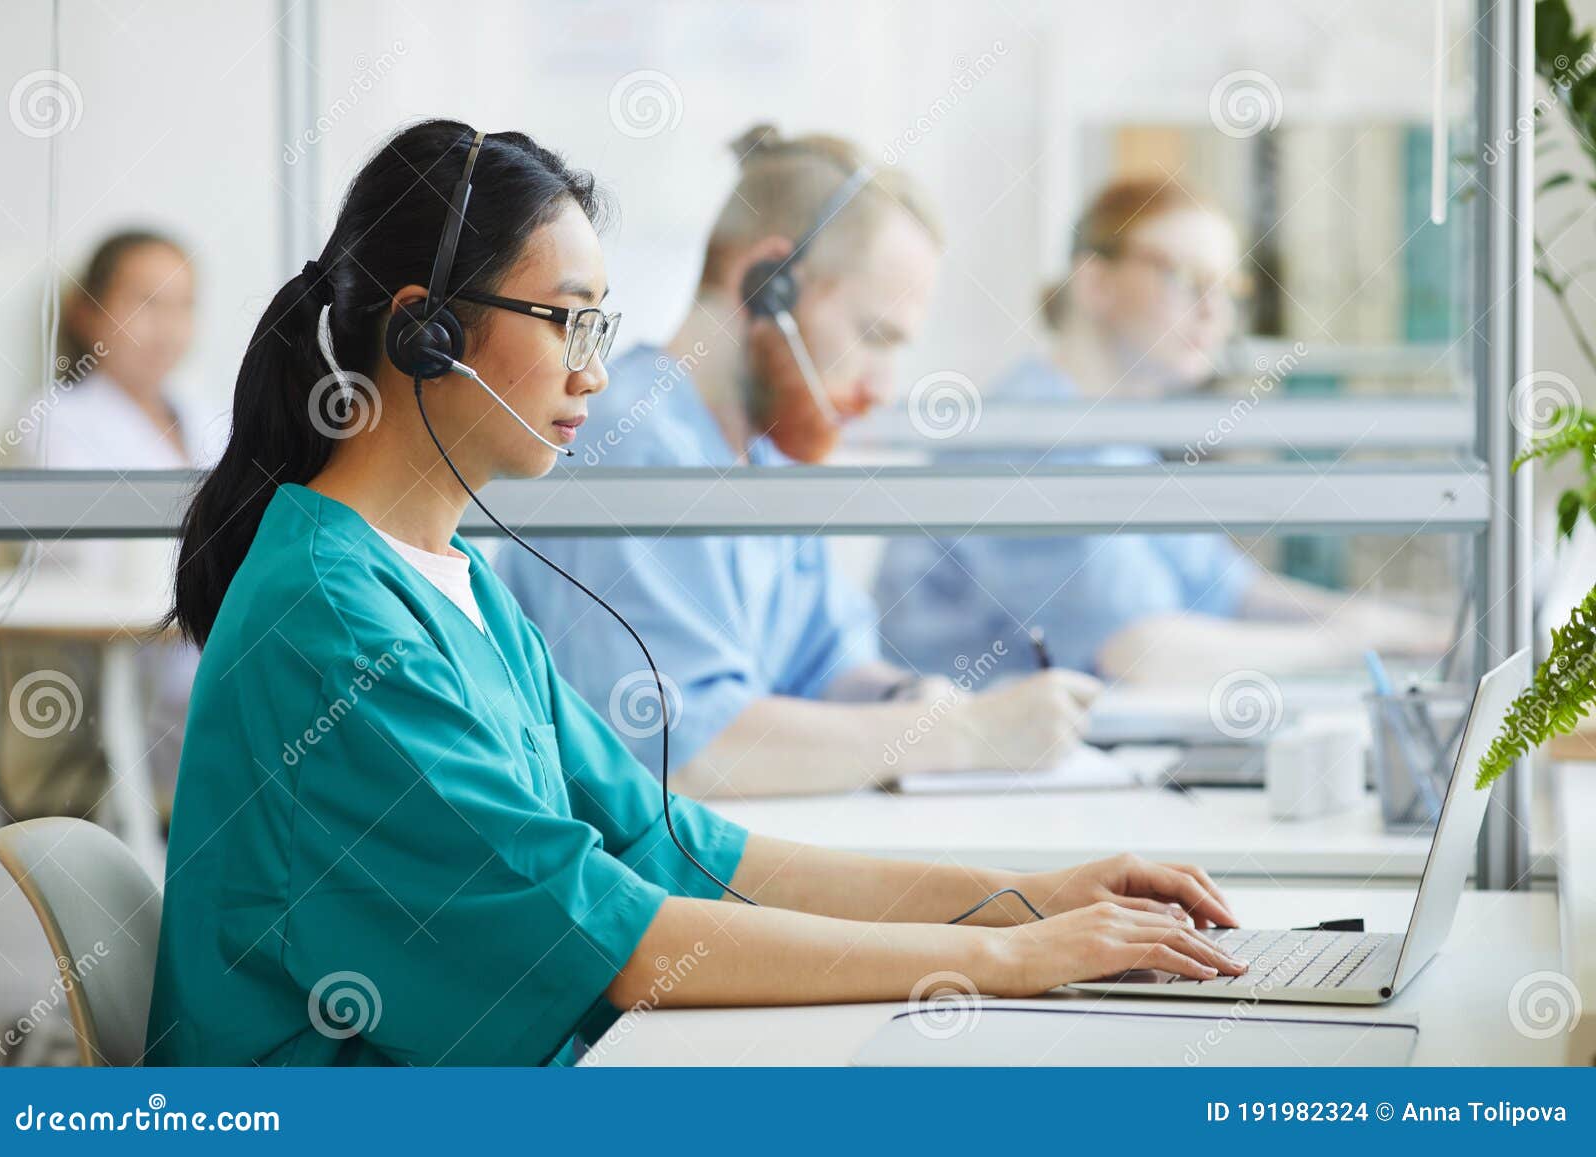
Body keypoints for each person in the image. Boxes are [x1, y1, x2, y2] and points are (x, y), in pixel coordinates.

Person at [147, 120, 1245, 1067]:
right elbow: (619, 937)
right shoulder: (338, 625)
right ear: (424, 330)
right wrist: (1004, 957)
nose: (592, 370)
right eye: (564, 319)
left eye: (601, 326)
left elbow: (677, 847)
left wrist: (1027, 896)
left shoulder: (451, 581)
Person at [497, 125, 1101, 799]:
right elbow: (688, 751)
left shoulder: (765, 459)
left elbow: (825, 666)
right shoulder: (635, 446)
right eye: (873, 336)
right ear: (768, 283)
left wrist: (911, 697)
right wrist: (968, 734)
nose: (878, 387)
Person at [876, 178, 1451, 684]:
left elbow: (1228, 589)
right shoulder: (1031, 438)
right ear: (1095, 283)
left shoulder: (1113, 432)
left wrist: (1405, 625)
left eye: (1229, 290)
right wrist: (1342, 643)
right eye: (1186, 278)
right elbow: (1140, 653)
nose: (1215, 313)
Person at [10, 230, 227, 817]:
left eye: (182, 306)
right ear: (88, 313)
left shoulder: (209, 414)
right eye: (146, 302)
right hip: (134, 678)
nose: (167, 327)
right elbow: (89, 565)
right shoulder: (56, 419)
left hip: (208, 647)